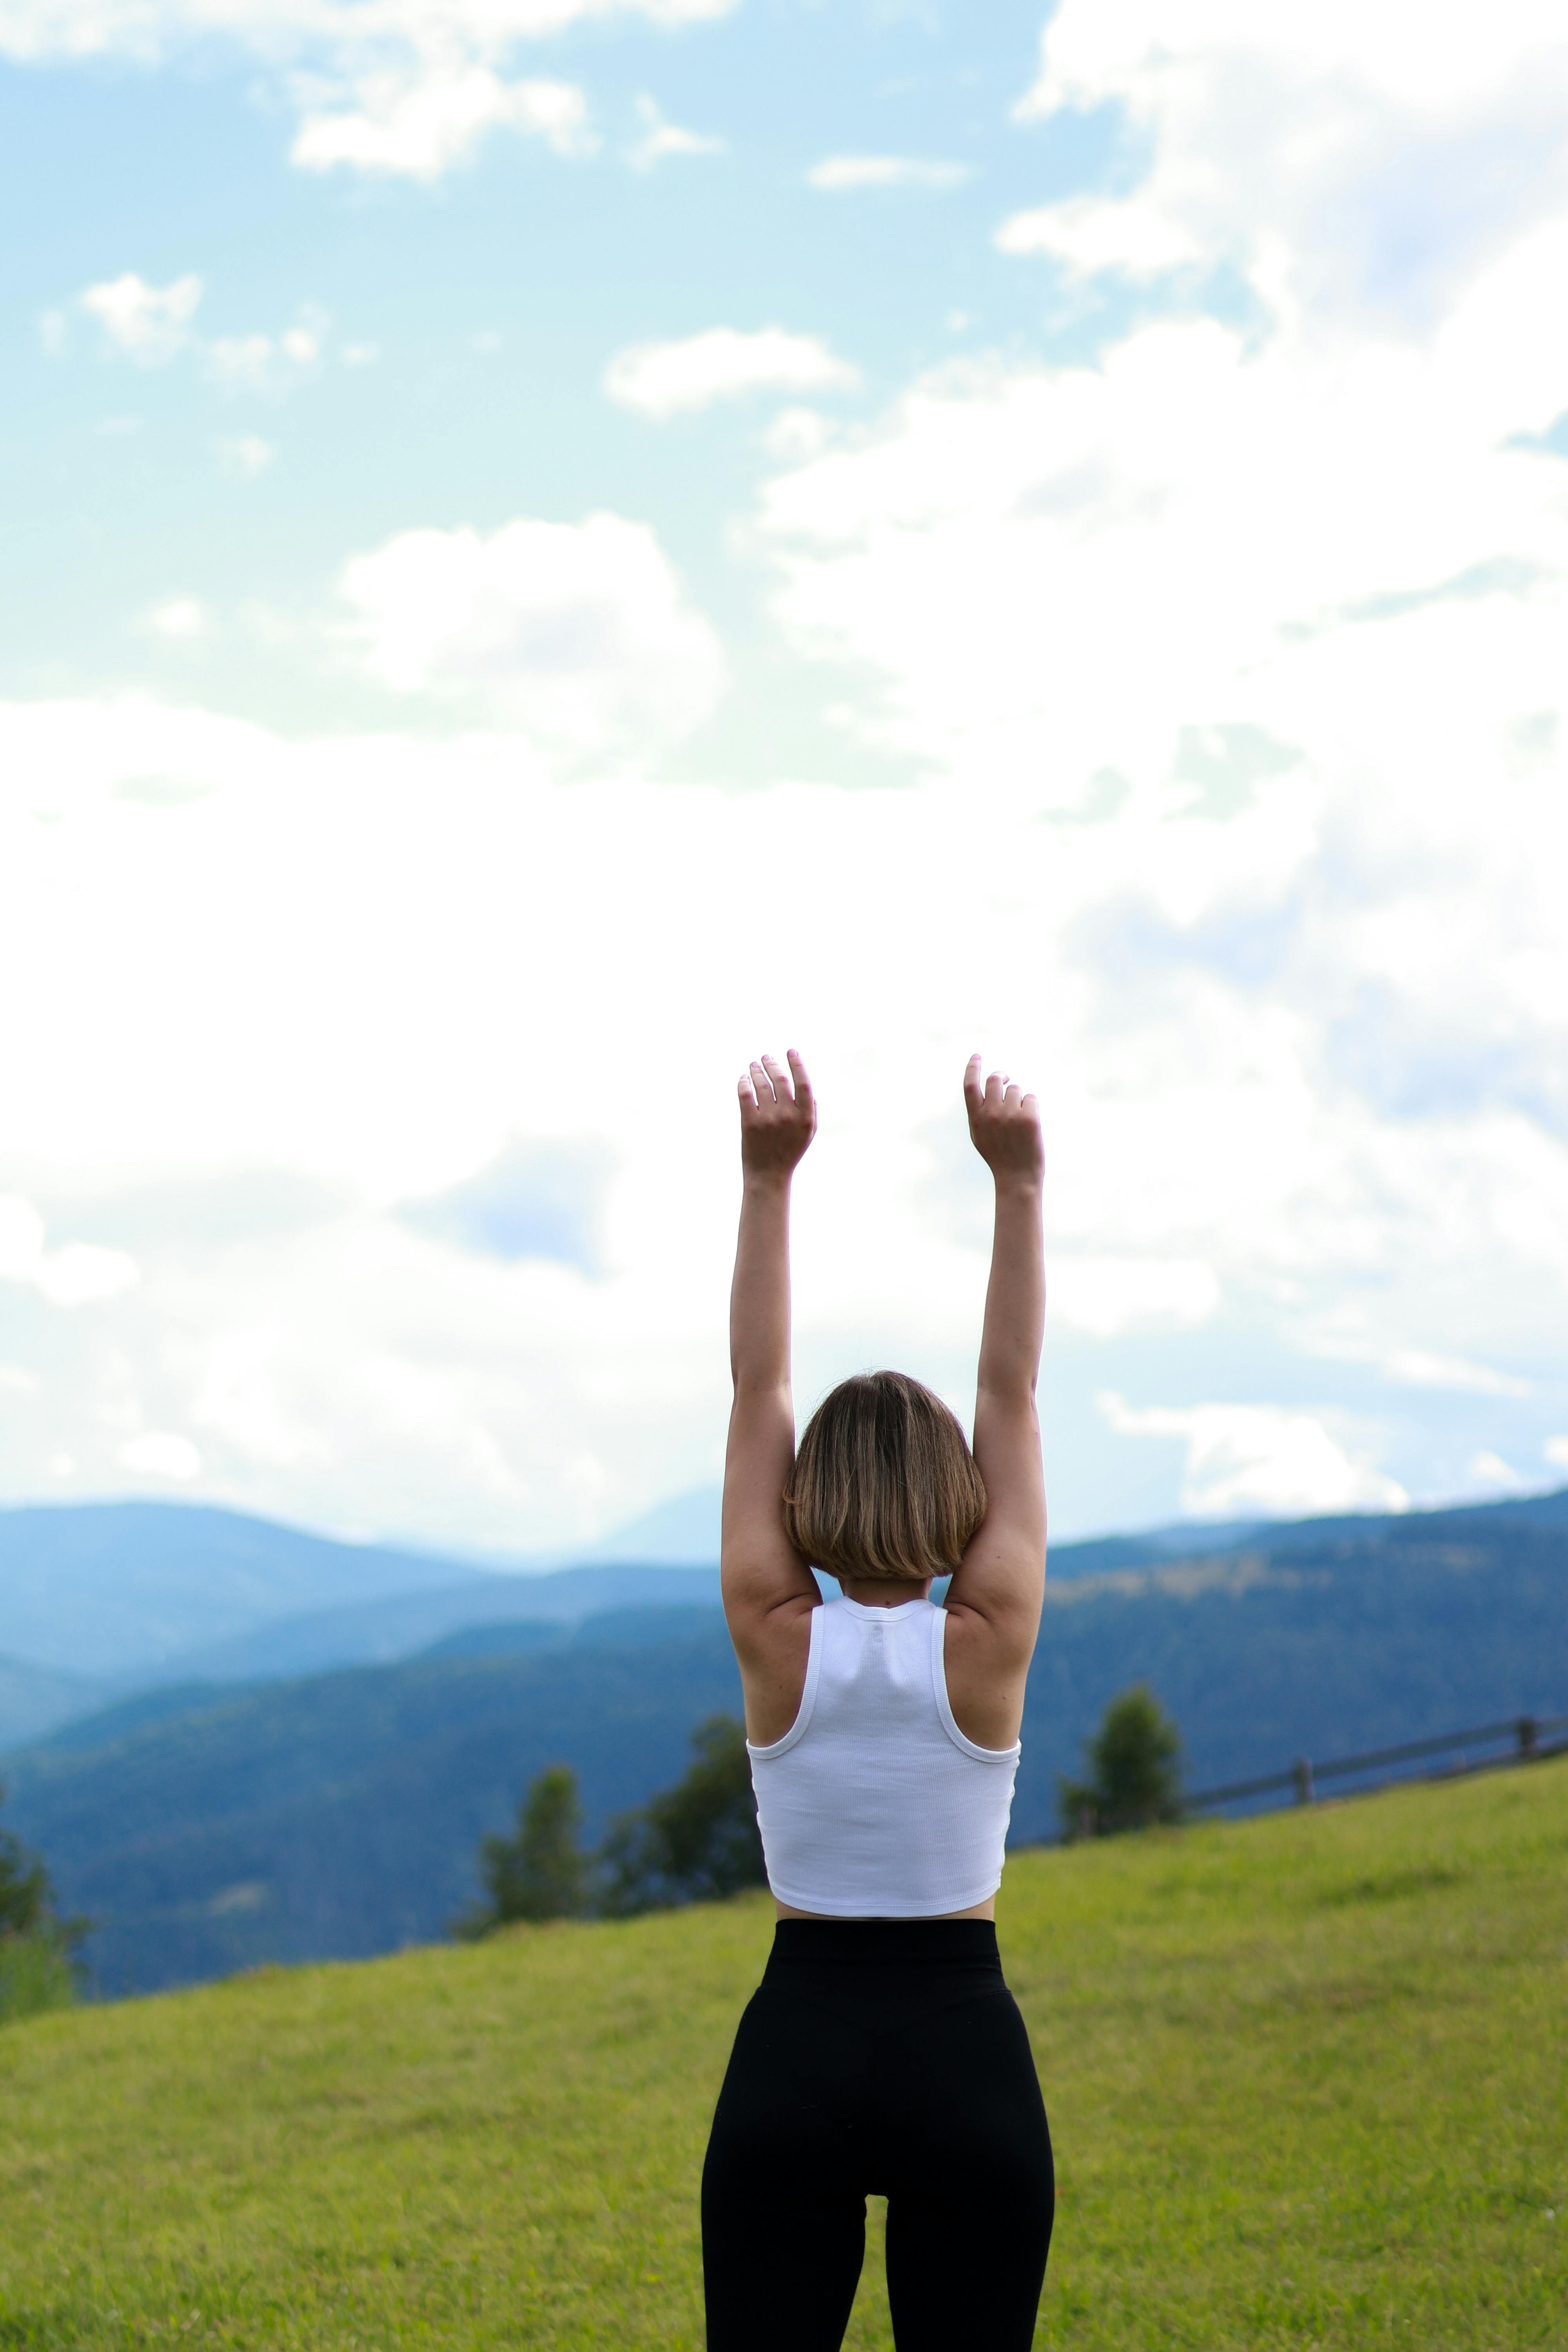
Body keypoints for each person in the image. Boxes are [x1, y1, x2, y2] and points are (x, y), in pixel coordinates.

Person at [702, 1048, 1054, 2352]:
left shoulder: (773, 1634)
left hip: (795, 2049)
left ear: (804, 1502)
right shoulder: (991, 1637)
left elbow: (758, 1392)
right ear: (959, 1498)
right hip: (968, 2051)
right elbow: (1011, 1392)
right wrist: (1017, 1183)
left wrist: (766, 1180)